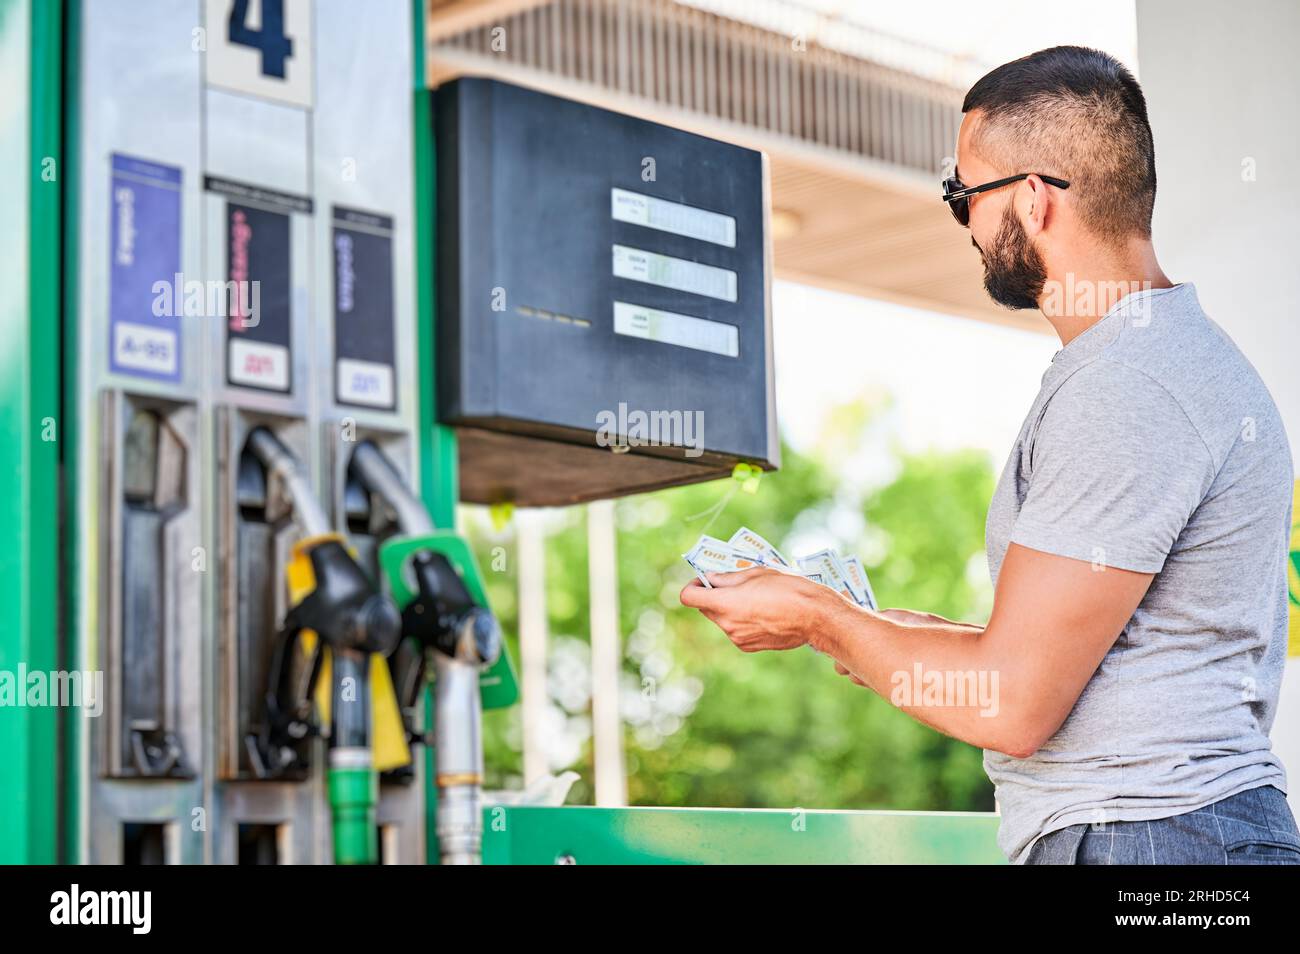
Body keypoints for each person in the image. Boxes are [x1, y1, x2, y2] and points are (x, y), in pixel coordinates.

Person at [680, 45, 1298, 865]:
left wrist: (819, 619)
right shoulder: (1163, 360)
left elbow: (1008, 702)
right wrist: (864, 628)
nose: (966, 222)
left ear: (1035, 200)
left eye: (963, 194)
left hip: (1150, 841)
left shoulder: (1128, 385)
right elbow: (1047, 655)